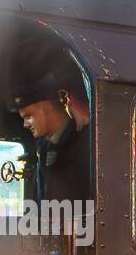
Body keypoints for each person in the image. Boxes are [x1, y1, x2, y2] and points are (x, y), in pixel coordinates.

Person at [5, 43, 90, 206]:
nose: (25, 124)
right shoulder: (44, 149)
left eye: (28, 116)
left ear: (46, 108)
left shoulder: (83, 146)